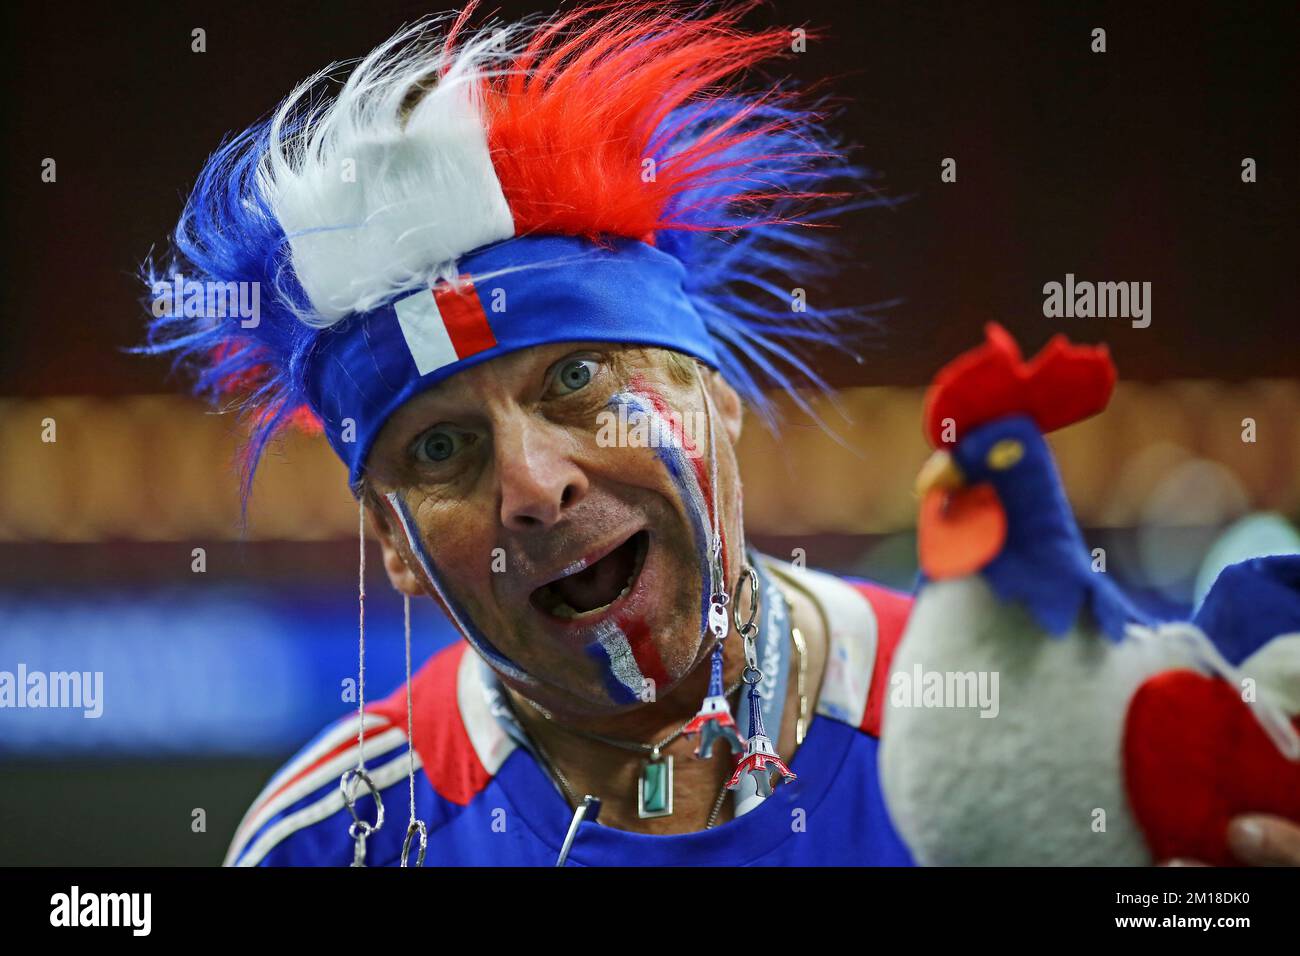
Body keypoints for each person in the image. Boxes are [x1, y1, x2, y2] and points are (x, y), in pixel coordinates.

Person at [141, 2, 1300, 867]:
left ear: (717, 394)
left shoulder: (1049, 734)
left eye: (580, 377)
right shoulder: (334, 838)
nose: (535, 486)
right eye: (439, 450)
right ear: (389, 542)